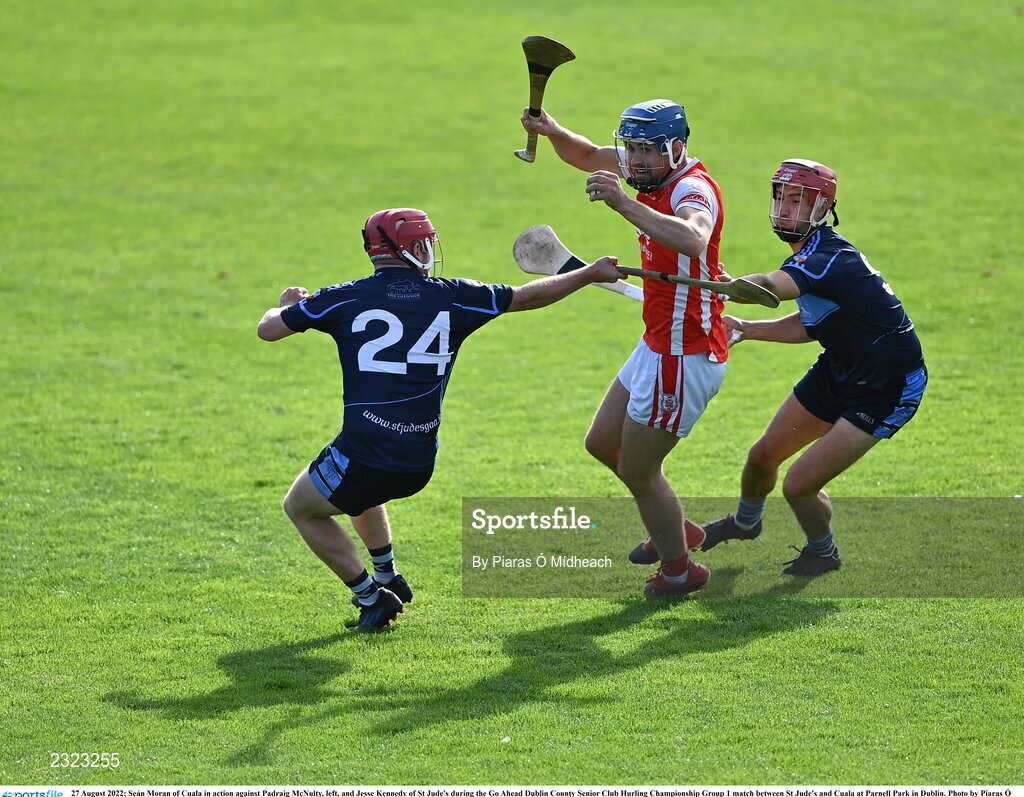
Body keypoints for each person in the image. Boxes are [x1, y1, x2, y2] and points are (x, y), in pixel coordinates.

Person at [257, 208, 623, 629]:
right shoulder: (454, 294)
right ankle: (387, 572)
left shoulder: (344, 297)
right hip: (418, 462)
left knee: (301, 507)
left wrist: (286, 306)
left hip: (366, 456)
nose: (430, 251)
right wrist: (589, 273)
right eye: (425, 243)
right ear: (411, 248)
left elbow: (269, 330)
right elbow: (529, 295)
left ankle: (371, 597)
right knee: (355, 484)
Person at [521, 99, 728, 598]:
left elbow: (695, 239)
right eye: (630, 149)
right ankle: (678, 528)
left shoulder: (691, 188)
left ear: (676, 148)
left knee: (639, 470)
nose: (634, 162)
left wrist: (624, 204)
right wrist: (551, 131)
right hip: (657, 343)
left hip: (684, 353)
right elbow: (590, 153)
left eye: (647, 152)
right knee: (601, 445)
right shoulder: (648, 172)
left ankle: (680, 571)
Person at [700, 159, 927, 576]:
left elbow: (772, 288)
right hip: (839, 368)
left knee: (799, 485)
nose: (787, 209)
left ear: (823, 208)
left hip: (887, 386)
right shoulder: (809, 256)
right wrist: (749, 329)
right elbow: (812, 321)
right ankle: (745, 523)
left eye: (799, 201)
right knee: (762, 457)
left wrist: (720, 286)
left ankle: (823, 552)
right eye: (782, 198)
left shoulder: (826, 258)